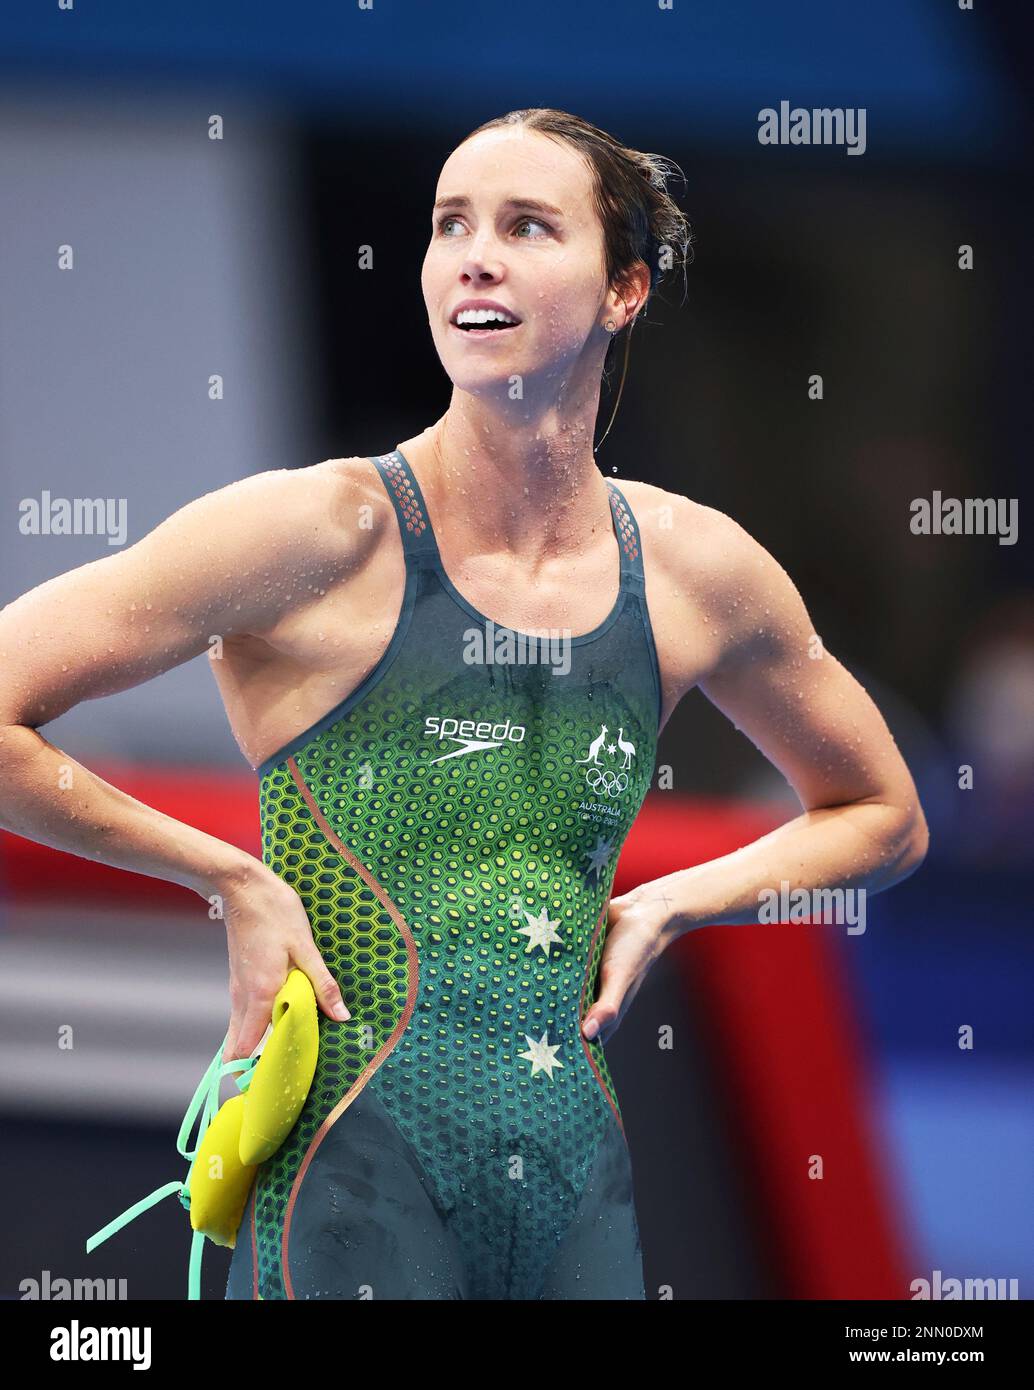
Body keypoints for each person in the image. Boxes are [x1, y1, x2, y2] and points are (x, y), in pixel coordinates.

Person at [0, 109, 928, 1300]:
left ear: (623, 290)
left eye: (526, 226)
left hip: (575, 1196)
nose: (473, 256)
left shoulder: (698, 571)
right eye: (450, 226)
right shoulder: (313, 535)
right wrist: (225, 876)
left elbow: (884, 818)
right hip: (345, 1190)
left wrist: (674, 904)